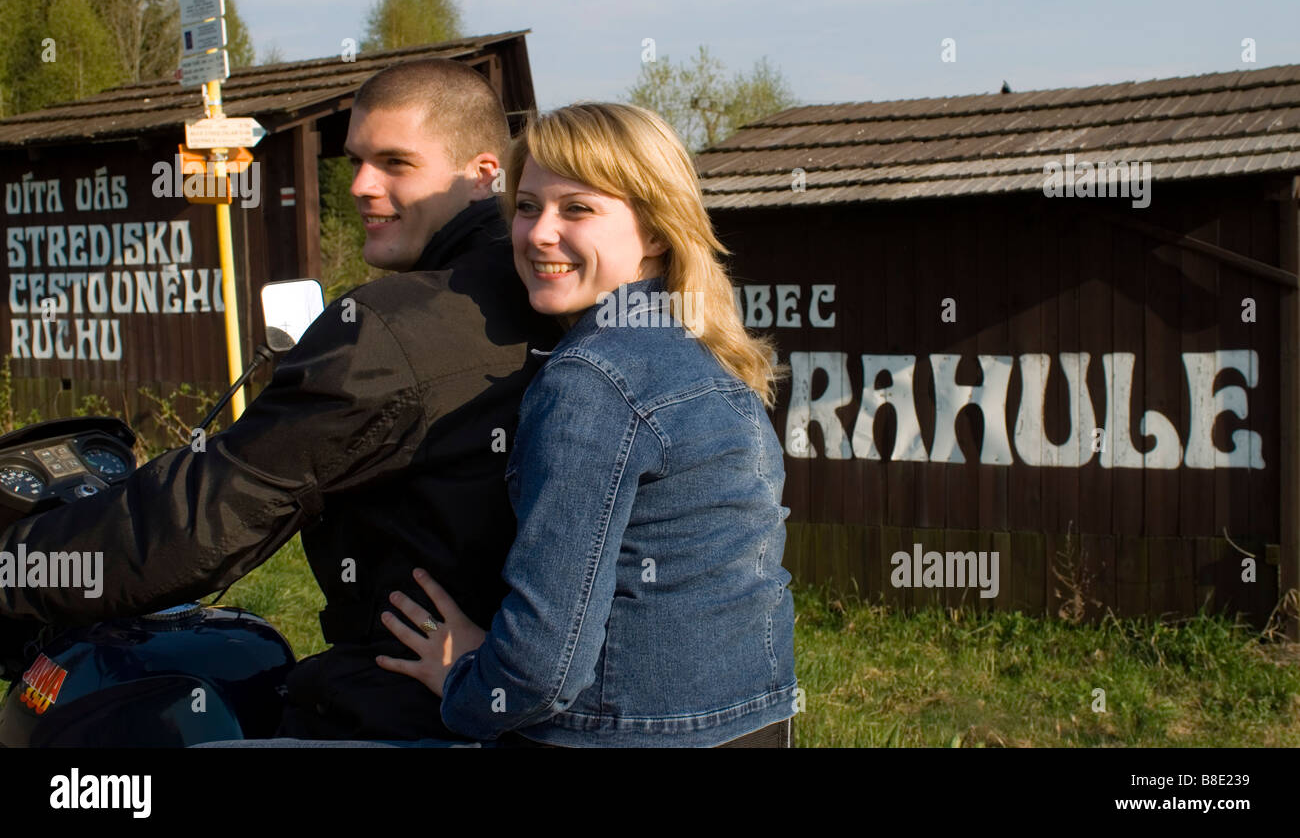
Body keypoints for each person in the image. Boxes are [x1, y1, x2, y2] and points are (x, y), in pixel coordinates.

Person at [0, 58, 566, 742]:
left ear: (481, 173)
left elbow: (208, 515)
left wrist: (22, 564)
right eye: (356, 160)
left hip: (403, 705)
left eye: (395, 164)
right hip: (523, 693)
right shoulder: (557, 296)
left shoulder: (391, 328)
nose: (361, 186)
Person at [373, 102, 798, 746]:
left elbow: (546, 664)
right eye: (526, 206)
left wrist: (465, 680)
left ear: (655, 231)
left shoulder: (592, 379)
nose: (540, 233)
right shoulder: (707, 347)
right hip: (755, 721)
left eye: (578, 209)